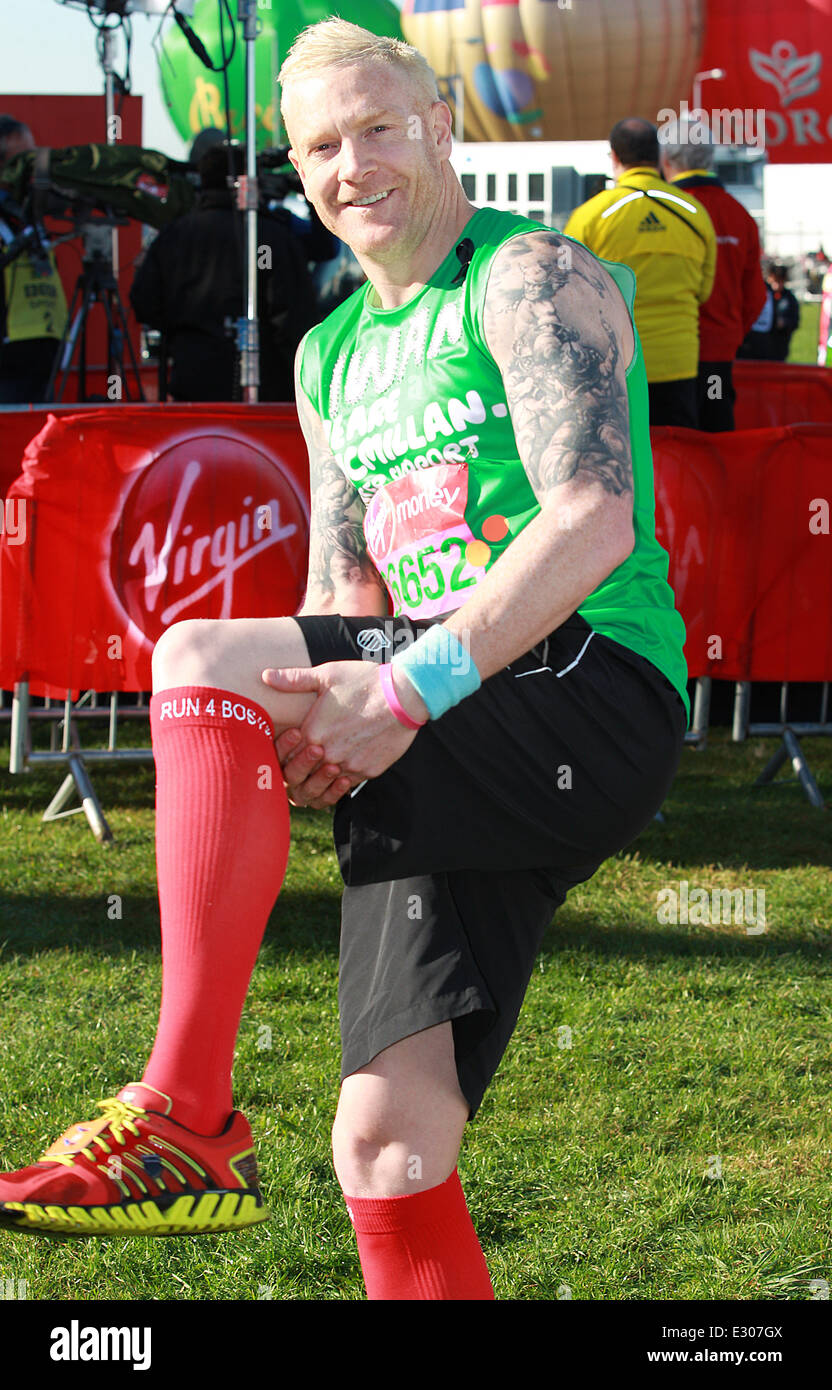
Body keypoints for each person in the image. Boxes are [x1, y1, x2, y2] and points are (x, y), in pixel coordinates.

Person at [0, 22, 689, 1300]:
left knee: (202, 651)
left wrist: (402, 686)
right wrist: (320, 723)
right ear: (296, 171)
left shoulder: (530, 274)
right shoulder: (327, 356)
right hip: (446, 717)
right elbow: (340, 594)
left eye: (378, 127)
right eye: (320, 145)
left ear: (438, 124)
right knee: (383, 1141)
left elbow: (592, 516)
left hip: (577, 683)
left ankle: (187, 1113)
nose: (351, 163)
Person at [129, 142, 319, 401]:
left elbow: (145, 303)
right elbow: (293, 316)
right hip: (267, 390)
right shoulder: (271, 235)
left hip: (192, 381)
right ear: (250, 181)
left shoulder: (174, 235)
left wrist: (187, 335)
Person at [565, 117, 716, 429]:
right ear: (659, 156)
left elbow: (568, 296)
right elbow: (704, 291)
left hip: (616, 366)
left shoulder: (589, 216)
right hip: (679, 364)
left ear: (615, 157)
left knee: (623, 466)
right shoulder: (694, 213)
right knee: (678, 462)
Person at [659, 126, 767, 431]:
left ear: (666, 158)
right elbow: (756, 297)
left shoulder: (661, 211)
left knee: (669, 445)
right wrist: (728, 334)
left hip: (666, 356)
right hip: (716, 357)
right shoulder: (739, 215)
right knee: (715, 438)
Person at [0, 115, 67, 403]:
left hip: (45, 346)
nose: (30, 171)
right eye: (20, 161)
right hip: (9, 354)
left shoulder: (31, 214)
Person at [738, 262, 801, 362]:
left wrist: (784, 323)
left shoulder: (788, 298)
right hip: (753, 346)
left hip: (778, 349)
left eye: (780, 281)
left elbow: (795, 321)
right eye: (775, 280)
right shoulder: (761, 292)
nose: (777, 285)